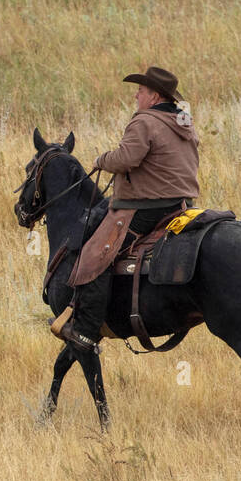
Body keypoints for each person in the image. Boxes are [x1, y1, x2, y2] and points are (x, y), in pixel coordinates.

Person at [64, 66, 200, 346]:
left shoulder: (144, 121)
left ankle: (86, 331)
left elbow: (126, 159)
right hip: (182, 206)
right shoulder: (184, 121)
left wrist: (101, 160)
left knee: (96, 254)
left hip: (146, 208)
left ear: (154, 96)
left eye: (140, 90)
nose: (136, 95)